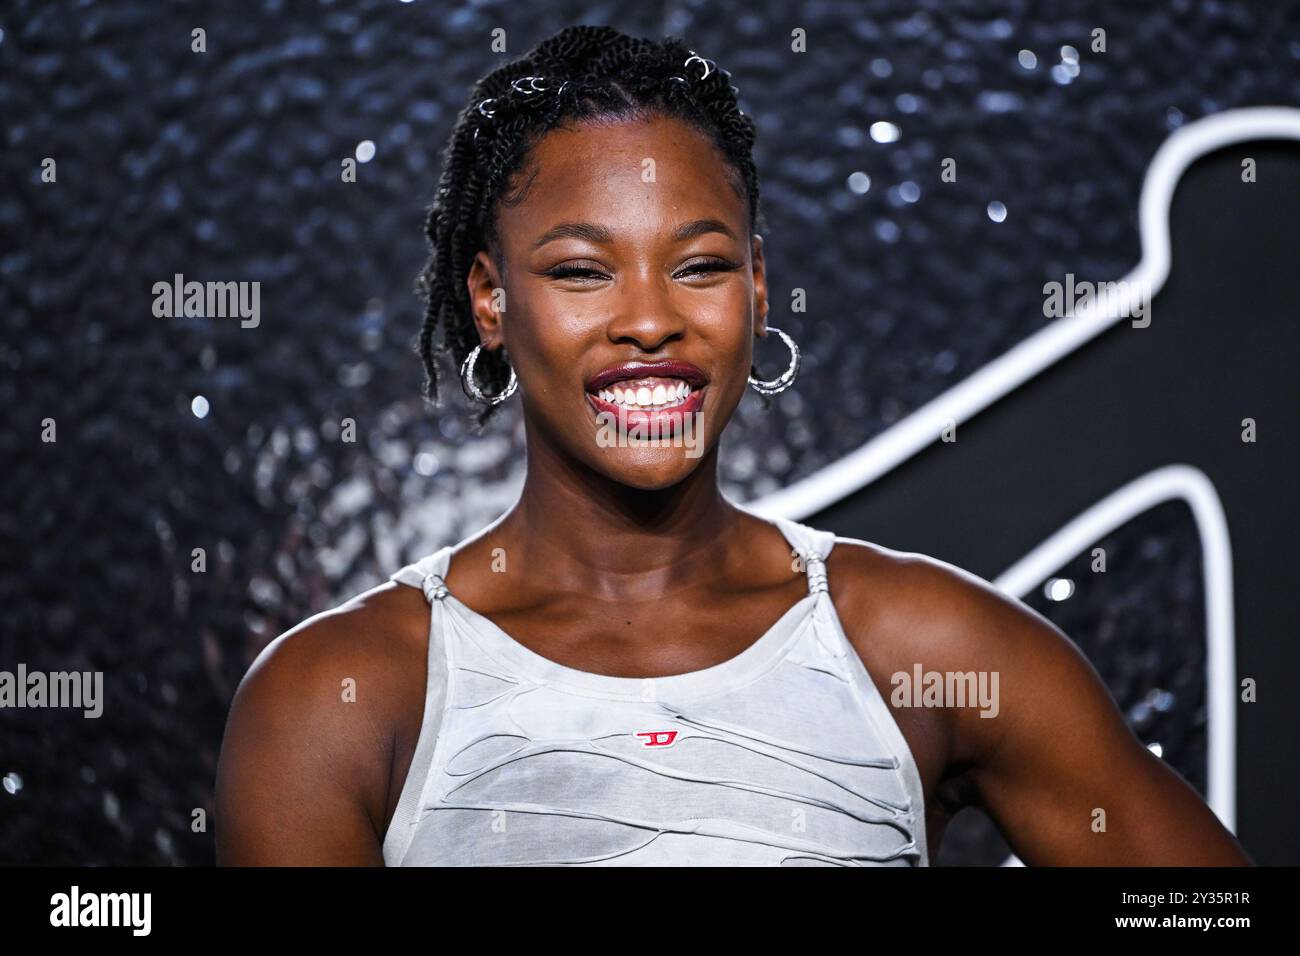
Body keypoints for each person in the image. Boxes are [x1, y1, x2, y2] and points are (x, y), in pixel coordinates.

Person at [214, 25, 1251, 866]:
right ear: (491, 298)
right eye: (581, 272)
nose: (650, 319)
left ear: (756, 286)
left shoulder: (923, 646)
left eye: (699, 266)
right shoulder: (340, 695)